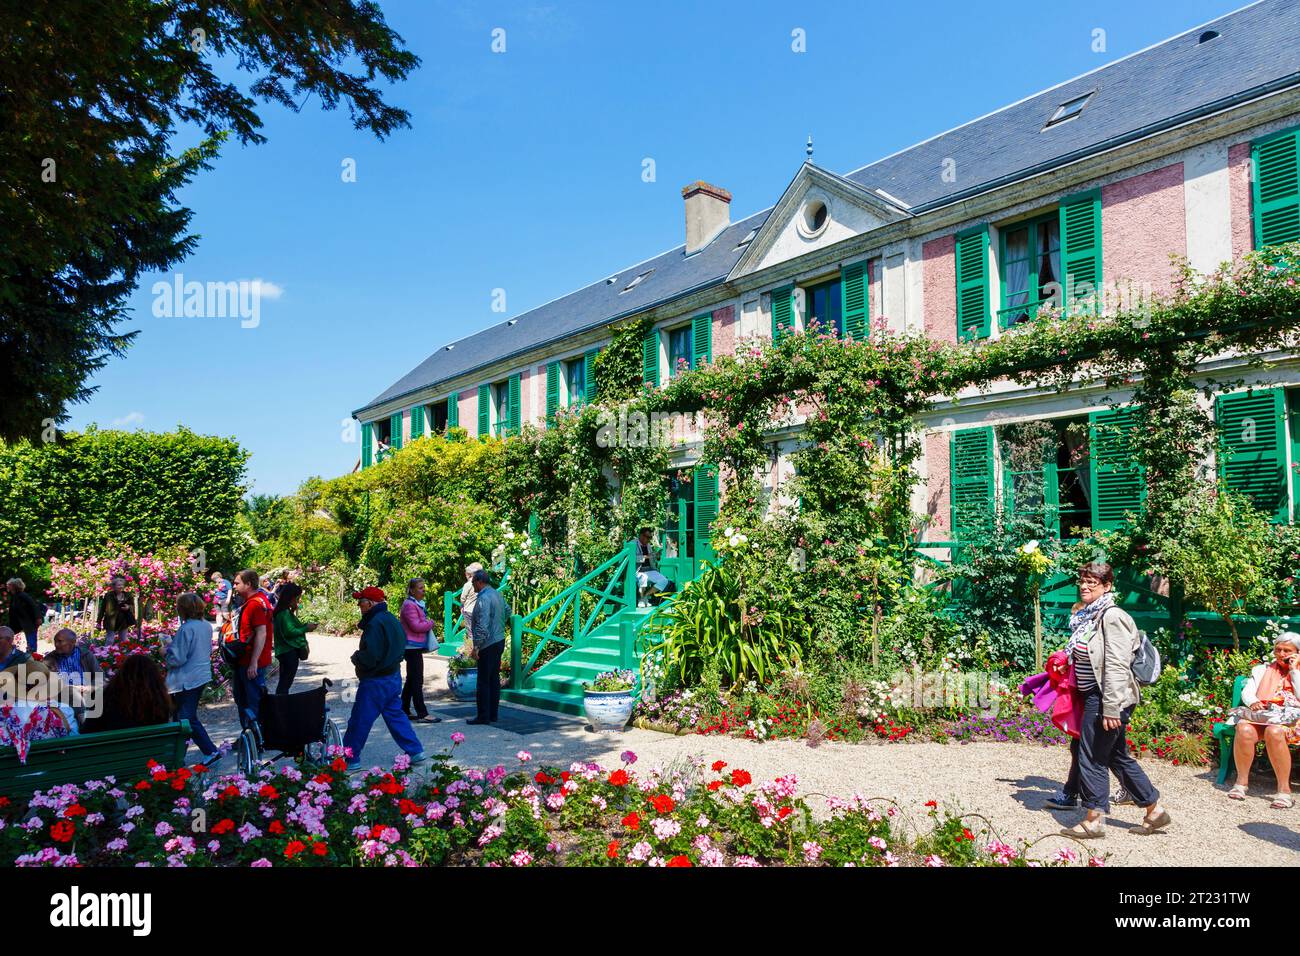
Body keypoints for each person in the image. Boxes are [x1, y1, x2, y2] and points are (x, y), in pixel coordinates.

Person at [1057, 562, 1171, 839]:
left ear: (1107, 586)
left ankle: (1094, 820)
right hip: (1096, 696)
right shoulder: (1090, 616)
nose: (1084, 586)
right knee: (1116, 756)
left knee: (1092, 755)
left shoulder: (1112, 616)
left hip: (1107, 698)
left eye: (1092, 583)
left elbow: (1117, 665)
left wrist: (1110, 708)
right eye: (1082, 581)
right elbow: (1090, 654)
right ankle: (1154, 812)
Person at [342, 586, 427, 771]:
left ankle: (350, 758)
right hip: (392, 676)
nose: (359, 605)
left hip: (376, 680)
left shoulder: (374, 623)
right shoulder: (390, 619)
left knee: (360, 719)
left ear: (371, 603)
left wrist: (356, 658)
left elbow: (370, 656)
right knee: (396, 715)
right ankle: (415, 751)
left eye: (361, 602)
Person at [1226, 632, 1300, 808]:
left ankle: (1284, 791)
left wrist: (1294, 671)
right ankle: (1241, 783)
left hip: (1293, 719)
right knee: (1244, 728)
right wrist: (1254, 702)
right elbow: (1248, 691)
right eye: (1278, 650)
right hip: (1267, 715)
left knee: (1274, 731)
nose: (1281, 654)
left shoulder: (1297, 671)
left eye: (1287, 650)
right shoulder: (1262, 670)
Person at [165, 592, 218, 761]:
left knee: (184, 719)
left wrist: (165, 651)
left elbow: (177, 659)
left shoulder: (186, 628)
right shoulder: (205, 626)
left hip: (186, 679)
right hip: (201, 675)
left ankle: (205, 752)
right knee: (186, 717)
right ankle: (182, 755)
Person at [0, 661, 78, 762]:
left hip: (15, 773)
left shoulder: (4, 714)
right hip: (54, 771)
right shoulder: (64, 710)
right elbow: (75, 742)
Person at [80, 654, 172, 733]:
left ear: (122, 674)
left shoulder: (106, 699)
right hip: (150, 752)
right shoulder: (160, 702)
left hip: (111, 752)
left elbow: (87, 731)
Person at [229, 569, 274, 729]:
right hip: (247, 661)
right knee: (244, 699)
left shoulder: (255, 604)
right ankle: (249, 736)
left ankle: (255, 737)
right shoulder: (257, 601)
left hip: (251, 662)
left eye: (237, 583)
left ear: (248, 584)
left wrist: (254, 662)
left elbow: (261, 633)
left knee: (251, 701)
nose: (234, 586)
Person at [399, 578, 440, 723]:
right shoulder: (410, 605)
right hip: (412, 647)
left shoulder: (414, 604)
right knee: (417, 680)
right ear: (412, 590)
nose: (424, 590)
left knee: (411, 679)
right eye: (420, 588)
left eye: (424, 587)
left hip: (414, 646)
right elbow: (416, 626)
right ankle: (422, 713)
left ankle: (403, 708)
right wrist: (430, 623)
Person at [468, 569, 505, 726]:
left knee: (483, 680)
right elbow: (507, 611)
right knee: (494, 678)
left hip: (488, 643)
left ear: (479, 582)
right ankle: (493, 714)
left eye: (473, 583)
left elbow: (482, 625)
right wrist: (498, 623)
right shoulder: (498, 594)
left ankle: (483, 715)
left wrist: (476, 646)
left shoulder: (483, 598)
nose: (472, 586)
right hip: (499, 639)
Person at [44, 628, 102, 715]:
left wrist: (89, 688)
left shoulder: (86, 655)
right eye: (55, 641)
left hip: (86, 692)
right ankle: (83, 724)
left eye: (60, 641)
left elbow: (99, 677)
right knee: (74, 697)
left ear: (73, 642)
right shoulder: (50, 659)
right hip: (62, 696)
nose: (56, 644)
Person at [272, 582, 313, 695]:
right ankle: (281, 707)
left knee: (284, 682)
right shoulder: (284, 613)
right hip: (289, 651)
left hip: (284, 651)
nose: (298, 601)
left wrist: (293, 610)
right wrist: (306, 628)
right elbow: (290, 632)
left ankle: (280, 706)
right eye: (297, 598)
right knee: (285, 684)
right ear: (291, 598)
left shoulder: (284, 612)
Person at [634, 528, 674, 606]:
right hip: (637, 571)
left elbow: (651, 558)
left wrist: (656, 556)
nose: (649, 540)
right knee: (644, 577)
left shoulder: (648, 545)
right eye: (647, 537)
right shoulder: (633, 544)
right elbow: (632, 558)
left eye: (650, 538)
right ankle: (641, 600)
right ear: (641, 535)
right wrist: (645, 557)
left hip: (649, 570)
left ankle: (645, 596)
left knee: (664, 581)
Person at [96, 575, 137, 644]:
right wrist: (98, 621)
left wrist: (128, 607)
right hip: (111, 621)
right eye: (118, 585)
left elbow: (132, 606)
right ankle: (106, 653)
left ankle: (124, 653)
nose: (121, 587)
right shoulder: (108, 595)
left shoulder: (128, 595)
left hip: (123, 621)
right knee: (110, 640)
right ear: (113, 586)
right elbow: (102, 608)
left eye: (122, 585)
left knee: (124, 640)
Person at [6, 577, 42, 655]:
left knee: (31, 642)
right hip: (21, 623)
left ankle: (31, 659)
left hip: (29, 623)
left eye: (9, 585)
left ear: (14, 586)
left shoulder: (22, 595)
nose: (7, 587)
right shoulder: (15, 596)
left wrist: (38, 618)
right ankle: (27, 658)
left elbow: (34, 606)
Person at [459, 562, 483, 639]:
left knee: (470, 632)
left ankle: (471, 649)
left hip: (469, 610)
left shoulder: (468, 584)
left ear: (469, 574)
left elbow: (462, 598)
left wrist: (462, 605)